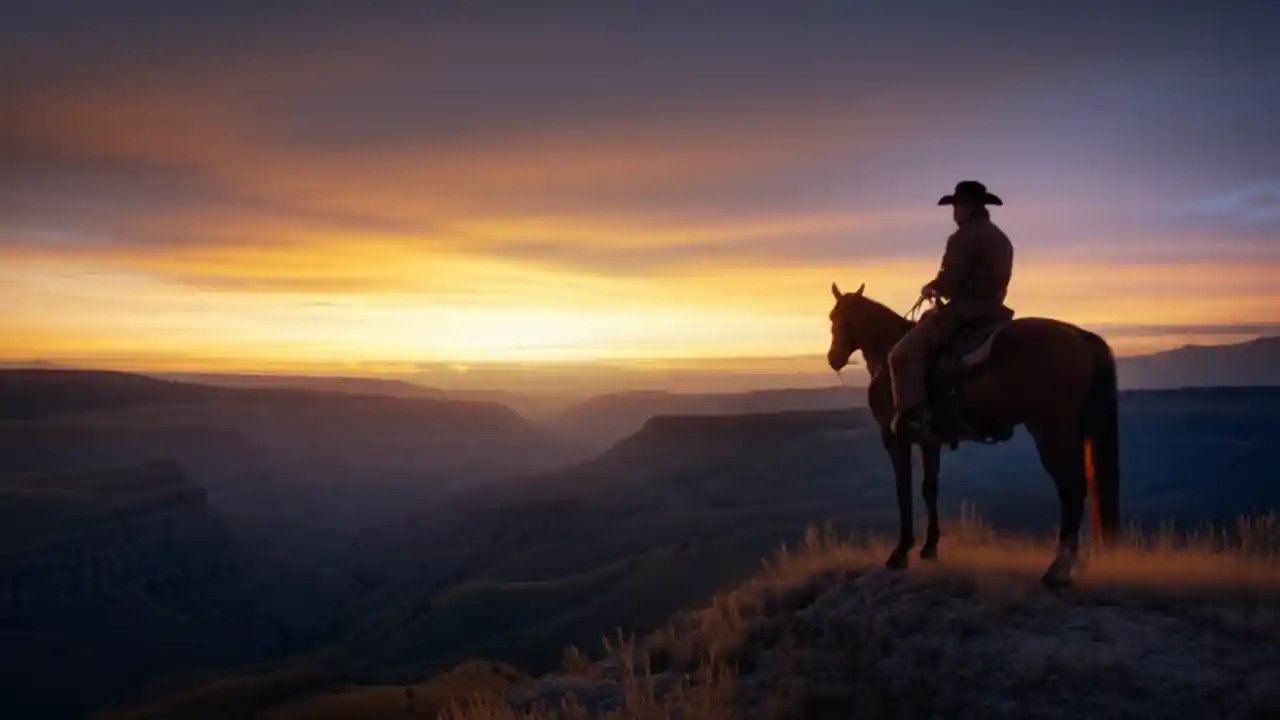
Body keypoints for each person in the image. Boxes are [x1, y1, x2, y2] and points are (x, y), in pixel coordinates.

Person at [889, 180, 1014, 440]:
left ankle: (913, 420)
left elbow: (951, 279)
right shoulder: (1002, 239)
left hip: (965, 312)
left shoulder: (961, 238)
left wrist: (933, 287)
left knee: (900, 355)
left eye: (956, 207)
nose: (954, 213)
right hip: (996, 311)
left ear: (967, 209)